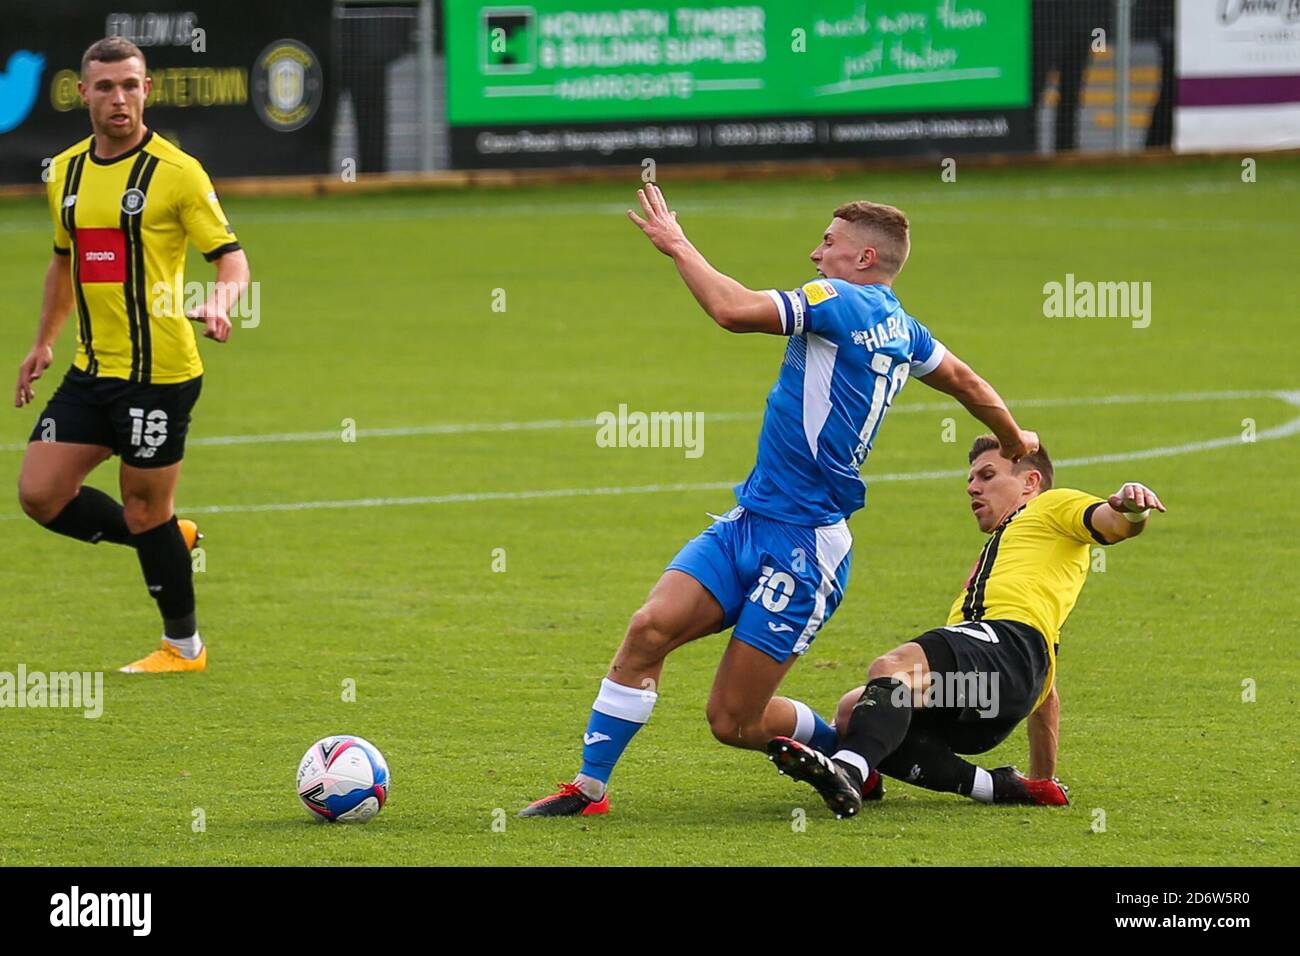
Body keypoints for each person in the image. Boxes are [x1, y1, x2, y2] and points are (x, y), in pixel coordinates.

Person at [519, 184, 1038, 816]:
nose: (816, 254)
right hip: (749, 520)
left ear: (865, 259)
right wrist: (1015, 439)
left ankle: (845, 750)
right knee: (648, 628)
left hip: (805, 545)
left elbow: (732, 310)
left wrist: (677, 244)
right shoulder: (905, 330)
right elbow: (966, 380)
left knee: (733, 721)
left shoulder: (841, 299)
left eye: (829, 242)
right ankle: (590, 789)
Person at [768, 436, 1165, 817]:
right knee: (855, 710)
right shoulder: (1021, 560)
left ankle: (850, 771)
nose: (973, 488)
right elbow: (1043, 688)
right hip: (994, 692)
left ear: (1031, 482)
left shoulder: (1051, 507)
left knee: (893, 667)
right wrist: (1043, 780)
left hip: (1005, 649)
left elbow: (1113, 524)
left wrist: (1132, 509)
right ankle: (996, 787)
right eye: (971, 480)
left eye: (987, 476)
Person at [14, 37, 250, 674]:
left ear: (147, 89)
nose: (119, 98)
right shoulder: (64, 171)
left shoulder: (177, 173)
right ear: (82, 93)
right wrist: (42, 342)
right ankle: (172, 540)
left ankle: (184, 647)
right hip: (91, 371)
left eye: (131, 85)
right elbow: (64, 263)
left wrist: (224, 299)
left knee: (146, 508)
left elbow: (230, 254)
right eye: (106, 86)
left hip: (160, 376)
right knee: (39, 494)